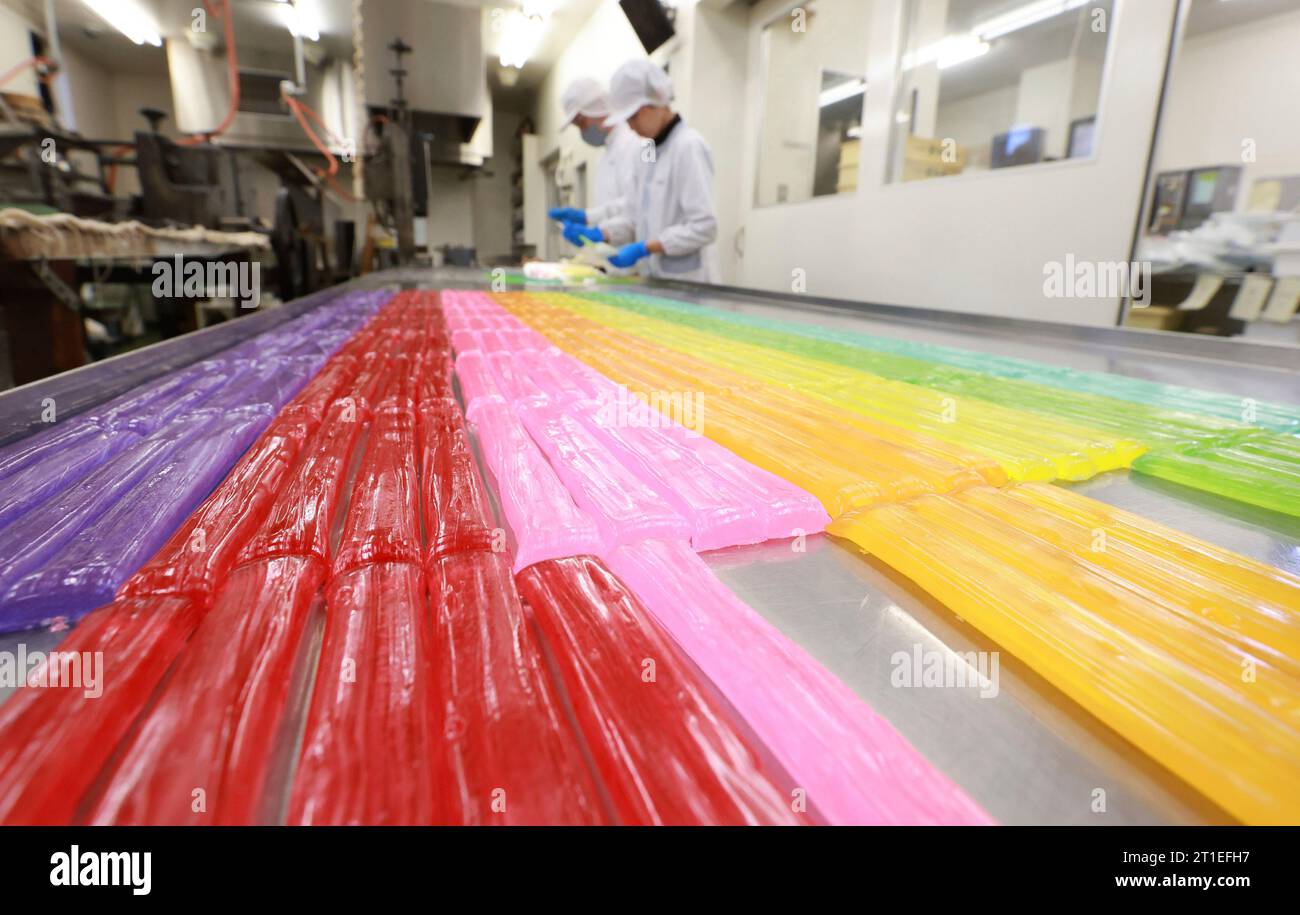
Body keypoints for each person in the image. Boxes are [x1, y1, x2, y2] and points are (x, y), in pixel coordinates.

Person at [599, 58, 718, 283]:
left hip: (689, 283)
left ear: (658, 102)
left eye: (634, 116)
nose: (631, 127)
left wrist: (647, 247)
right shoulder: (648, 150)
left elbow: (705, 227)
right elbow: (635, 216)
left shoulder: (688, 146)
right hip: (655, 280)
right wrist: (602, 233)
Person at [546, 76, 641, 249]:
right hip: (614, 255)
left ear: (597, 109)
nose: (582, 131)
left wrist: (594, 225)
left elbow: (636, 206)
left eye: (581, 123)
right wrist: (589, 219)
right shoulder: (604, 156)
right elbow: (614, 207)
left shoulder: (637, 143)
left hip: (635, 256)